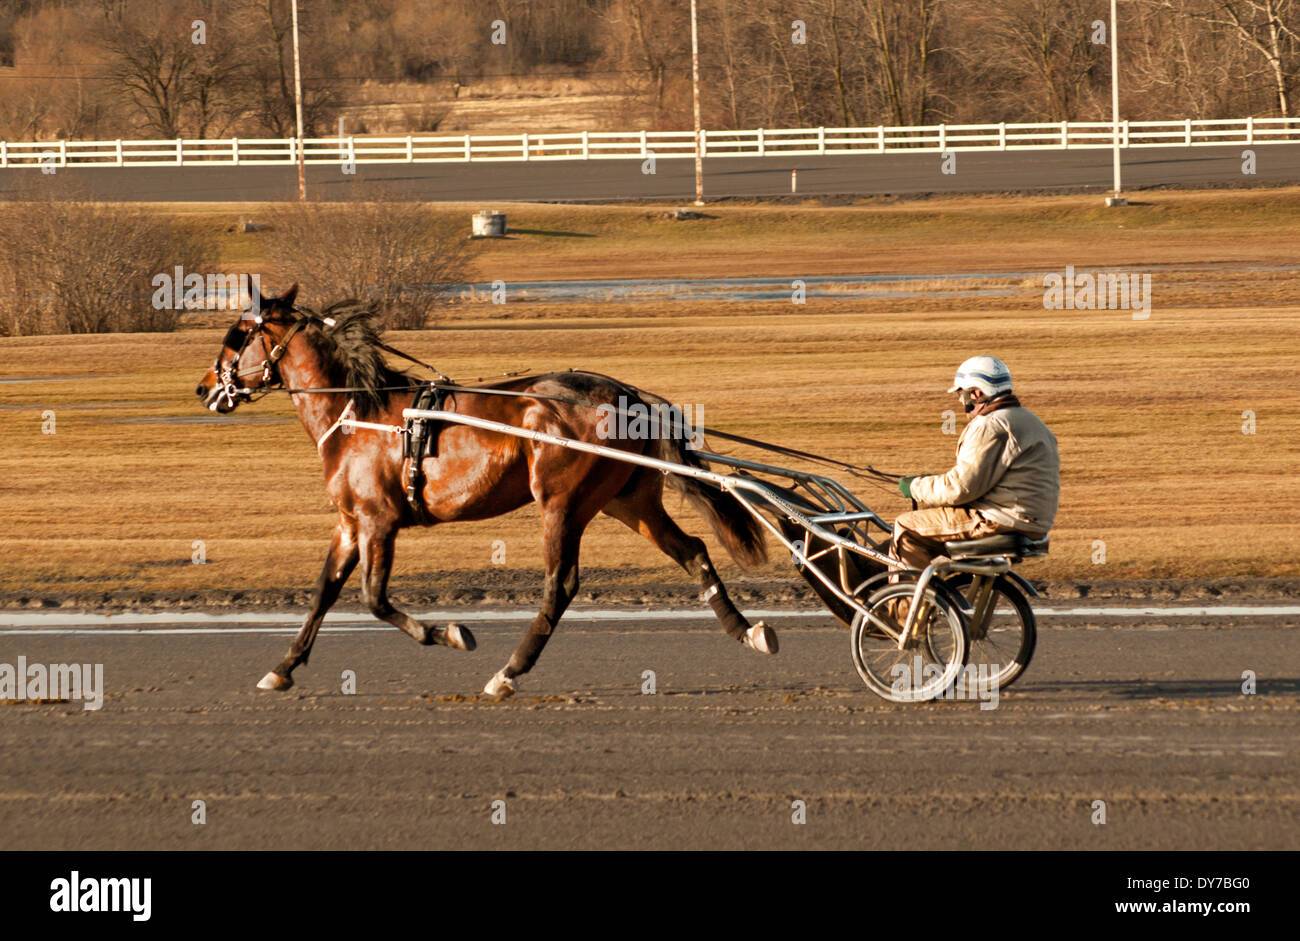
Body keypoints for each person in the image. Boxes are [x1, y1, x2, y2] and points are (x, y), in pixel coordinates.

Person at [891, 355, 1059, 574]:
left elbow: (961, 488)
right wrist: (929, 483)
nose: (961, 402)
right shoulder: (1030, 420)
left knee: (905, 526)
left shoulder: (990, 425)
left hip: (999, 519)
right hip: (1030, 520)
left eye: (961, 394)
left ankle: (902, 606)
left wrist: (914, 487)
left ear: (976, 393)